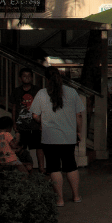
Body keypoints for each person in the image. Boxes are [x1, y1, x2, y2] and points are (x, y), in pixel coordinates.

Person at [30, 66, 85, 207]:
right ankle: (76, 196)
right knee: (71, 165)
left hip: (49, 137)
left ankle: (59, 200)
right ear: (60, 76)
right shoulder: (72, 92)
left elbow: (35, 115)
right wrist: (78, 131)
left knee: (54, 167)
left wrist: (42, 121)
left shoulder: (41, 93)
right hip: (68, 136)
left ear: (46, 79)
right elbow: (79, 114)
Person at [10, 67, 43, 171]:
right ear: (20, 78)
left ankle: (41, 168)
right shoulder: (16, 91)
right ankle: (21, 168)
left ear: (32, 78)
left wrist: (42, 123)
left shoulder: (37, 91)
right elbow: (14, 108)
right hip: (21, 125)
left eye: (29, 76)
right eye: (24, 76)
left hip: (35, 125)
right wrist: (14, 123)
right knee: (20, 148)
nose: (27, 78)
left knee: (39, 147)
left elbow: (42, 107)